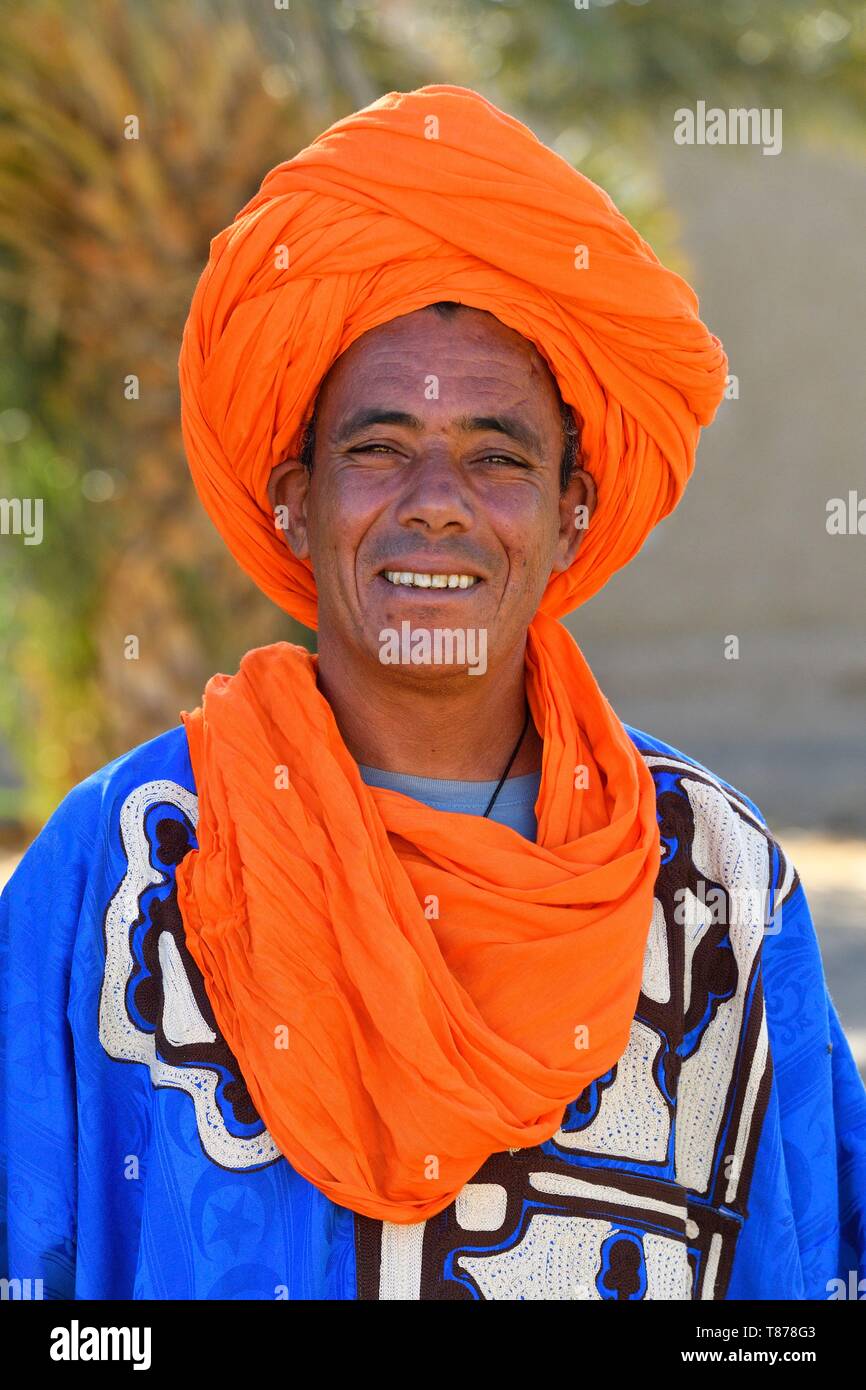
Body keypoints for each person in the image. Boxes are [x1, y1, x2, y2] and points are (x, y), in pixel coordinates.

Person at [2, 85, 864, 1303]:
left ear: (570, 510)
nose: (437, 500)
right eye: (378, 446)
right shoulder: (126, 864)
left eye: (497, 455)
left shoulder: (710, 877)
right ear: (294, 497)